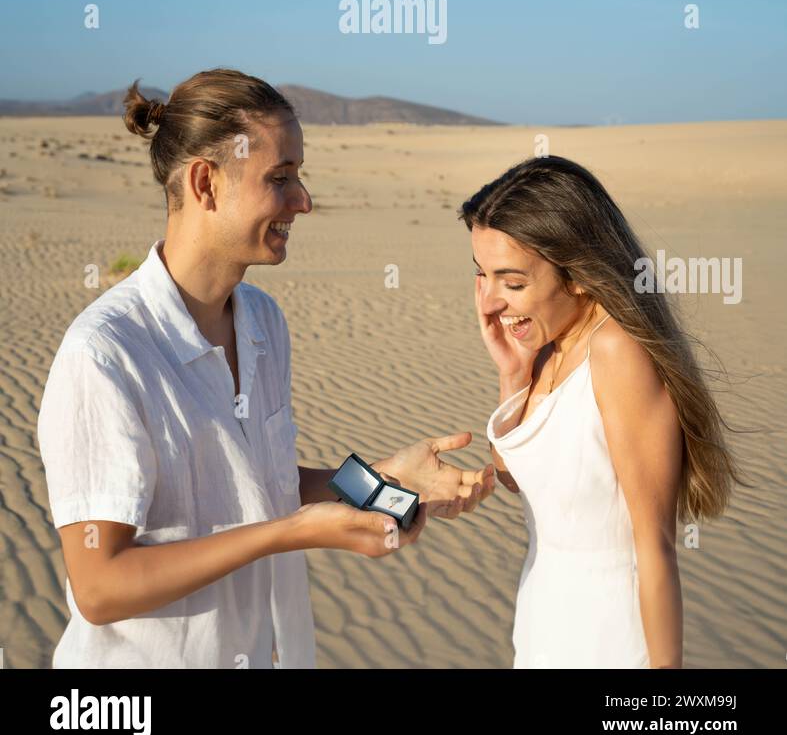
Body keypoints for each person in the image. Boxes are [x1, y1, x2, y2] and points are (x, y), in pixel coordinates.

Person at [37, 68, 495, 669]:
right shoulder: (105, 354)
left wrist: (384, 478)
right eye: (280, 179)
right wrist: (292, 532)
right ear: (206, 183)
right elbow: (99, 587)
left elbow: (256, 482)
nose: (303, 201)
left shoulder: (263, 321)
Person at [461, 155, 745, 670]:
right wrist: (512, 375)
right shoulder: (546, 346)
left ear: (580, 275)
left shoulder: (616, 352)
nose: (492, 302)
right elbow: (514, 479)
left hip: (610, 642)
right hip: (541, 628)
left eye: (513, 281)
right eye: (483, 275)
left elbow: (654, 544)